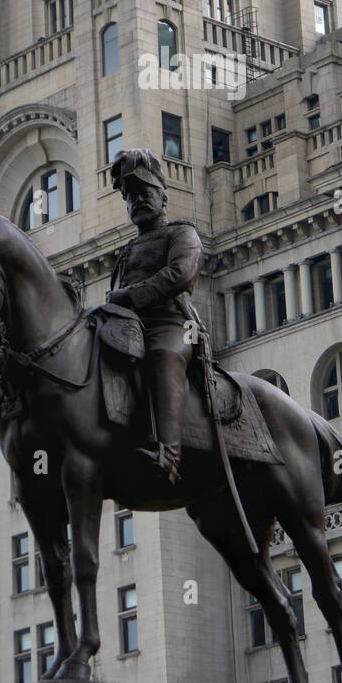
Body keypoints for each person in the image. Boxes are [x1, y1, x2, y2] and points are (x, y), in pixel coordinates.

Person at [107, 150, 203, 485]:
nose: (138, 201)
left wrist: (131, 296)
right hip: (128, 327)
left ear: (163, 195)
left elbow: (181, 274)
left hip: (174, 324)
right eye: (130, 197)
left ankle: (168, 455)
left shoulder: (182, 234)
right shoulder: (125, 252)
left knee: (164, 355)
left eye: (145, 193)